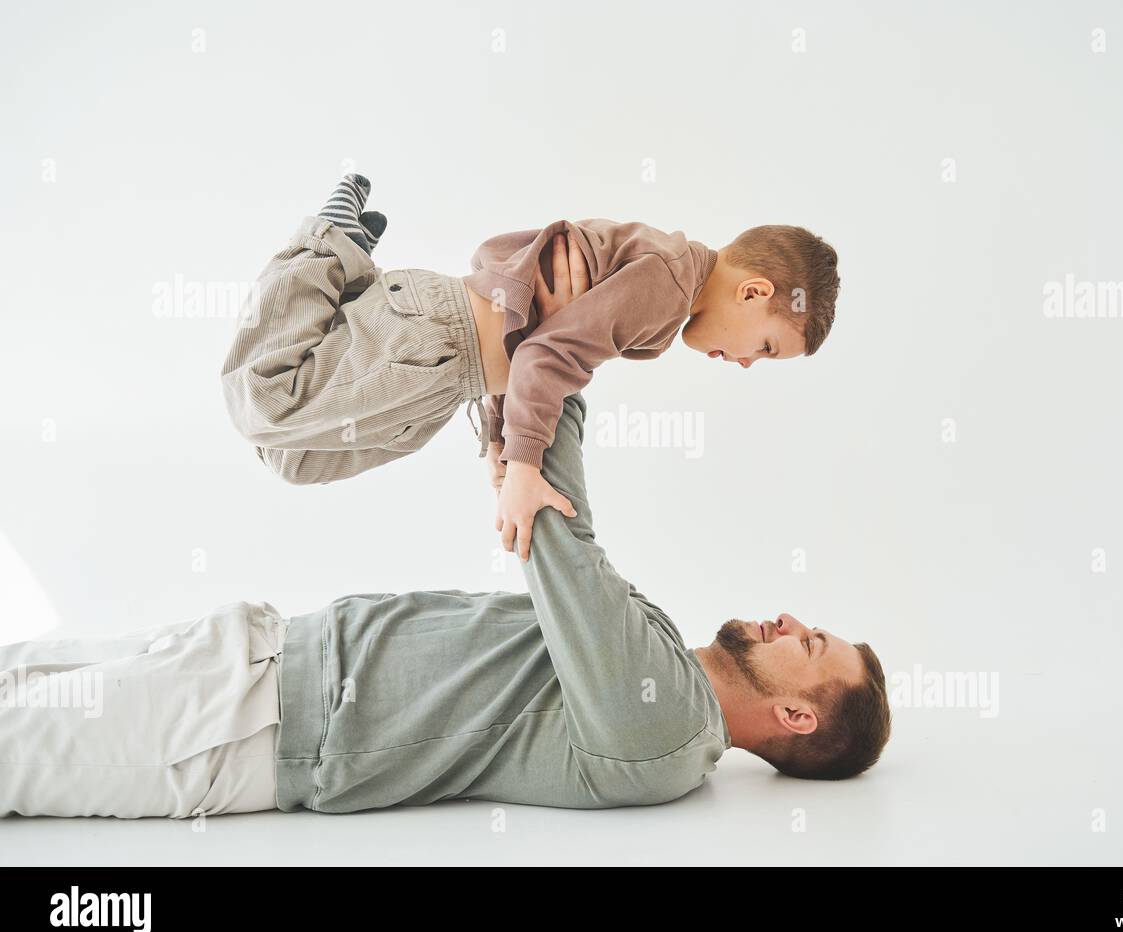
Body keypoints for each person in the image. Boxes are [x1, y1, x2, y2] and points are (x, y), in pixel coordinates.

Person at [0, 396, 889, 818]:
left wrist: (560, 375)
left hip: (247, 726)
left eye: (810, 642)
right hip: (269, 651)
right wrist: (506, 406)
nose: (786, 619)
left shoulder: (666, 737)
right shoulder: (659, 638)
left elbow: (556, 539)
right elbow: (532, 517)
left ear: (796, 714)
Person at [220, 174, 841, 558]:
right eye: (765, 348)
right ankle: (329, 249)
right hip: (435, 338)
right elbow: (550, 355)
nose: (746, 365)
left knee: (296, 459)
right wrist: (522, 465)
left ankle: (348, 293)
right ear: (755, 293)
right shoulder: (669, 285)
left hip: (449, 378)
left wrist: (497, 433)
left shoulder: (667, 293)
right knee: (264, 406)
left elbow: (533, 341)